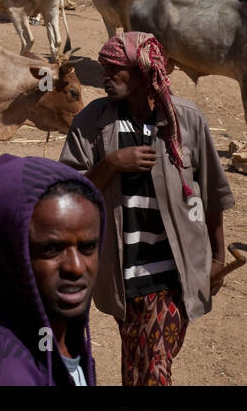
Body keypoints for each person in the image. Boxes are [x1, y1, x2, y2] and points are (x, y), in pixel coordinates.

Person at [60, 32, 234, 386]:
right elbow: (67, 196)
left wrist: (217, 261)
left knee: (154, 368)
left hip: (175, 275)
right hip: (121, 276)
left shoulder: (186, 120)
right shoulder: (93, 123)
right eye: (103, 68)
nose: (105, 77)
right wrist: (111, 164)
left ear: (143, 72)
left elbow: (213, 194)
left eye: (114, 70)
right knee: (135, 368)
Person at [0, 155, 104, 385]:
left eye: (88, 247)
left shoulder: (56, 337)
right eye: (51, 249)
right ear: (7, 253)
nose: (75, 267)